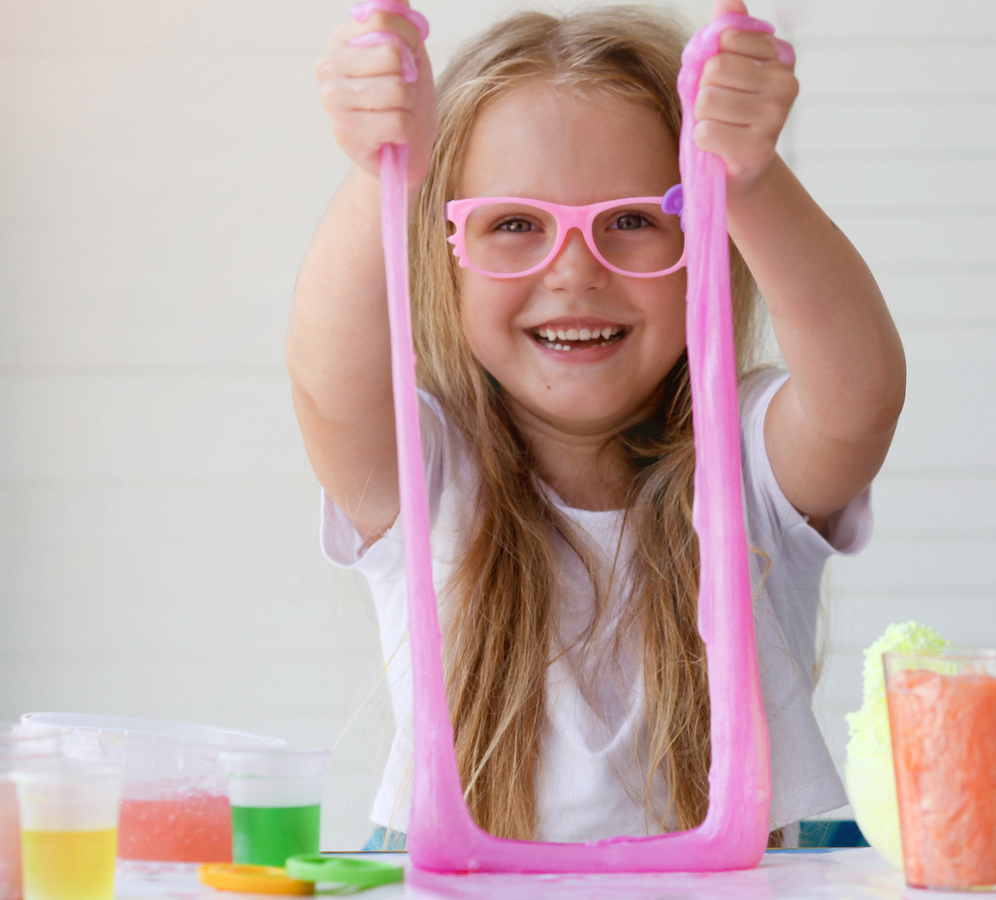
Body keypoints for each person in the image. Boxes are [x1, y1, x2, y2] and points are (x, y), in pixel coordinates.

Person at [291, 0, 905, 849]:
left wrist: (749, 178)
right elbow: (329, 384)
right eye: (513, 225)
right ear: (443, 255)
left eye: (633, 220)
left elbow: (860, 397)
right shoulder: (431, 470)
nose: (574, 271)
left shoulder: (746, 460)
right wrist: (377, 174)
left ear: (706, 238)